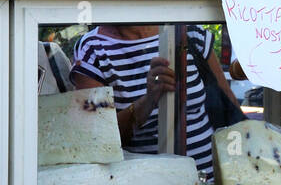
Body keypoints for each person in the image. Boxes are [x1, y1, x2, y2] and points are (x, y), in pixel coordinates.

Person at [71, 24, 241, 176]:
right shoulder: (92, 50)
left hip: (211, 182)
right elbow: (97, 139)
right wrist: (149, 99)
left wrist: (241, 165)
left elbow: (227, 101)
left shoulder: (189, 32)